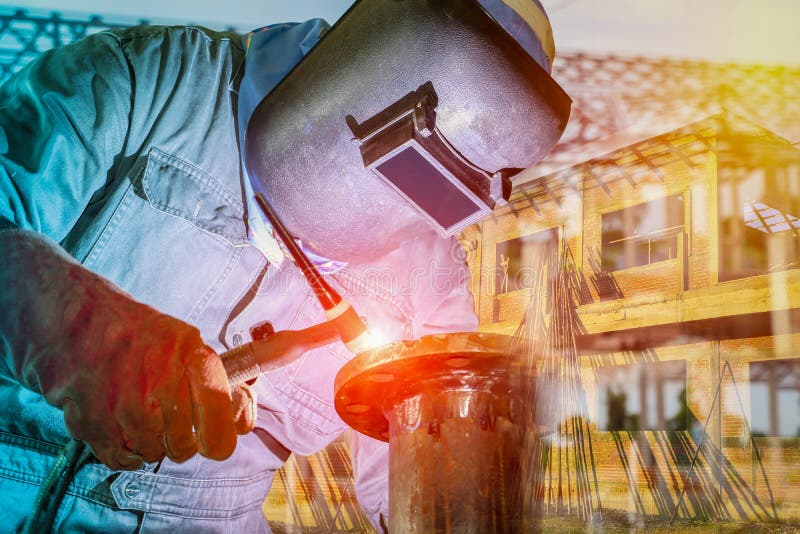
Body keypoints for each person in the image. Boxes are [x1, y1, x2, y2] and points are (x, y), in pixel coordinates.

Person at [0, 1, 558, 531]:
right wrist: (80, 328)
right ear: (380, 64)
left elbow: (422, 475)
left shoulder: (430, 270)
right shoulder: (145, 81)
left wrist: (462, 488)